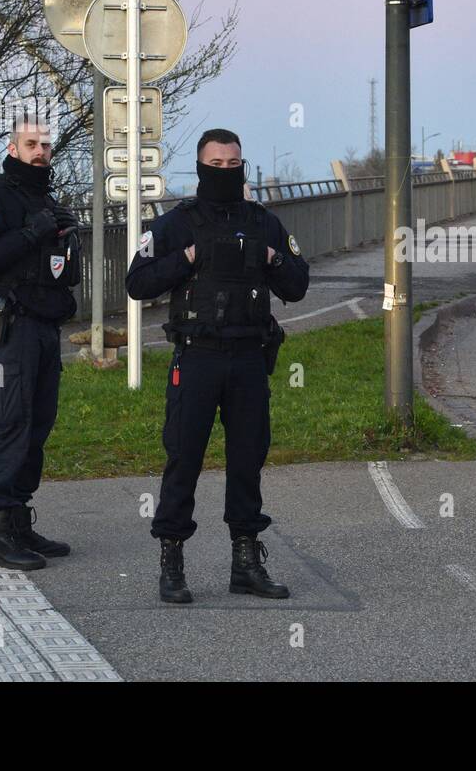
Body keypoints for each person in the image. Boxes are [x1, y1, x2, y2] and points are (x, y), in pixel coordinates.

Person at [125, 128, 309, 604]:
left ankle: (245, 562)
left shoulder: (263, 222)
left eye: (233, 165)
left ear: (242, 165)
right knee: (184, 458)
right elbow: (137, 281)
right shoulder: (177, 224)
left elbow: (298, 284)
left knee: (247, 459)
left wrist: (269, 258)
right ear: (201, 166)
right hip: (198, 356)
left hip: (249, 358)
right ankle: (172, 560)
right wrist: (187, 258)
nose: (225, 172)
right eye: (217, 165)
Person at [0, 115, 81, 570]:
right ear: (13, 149)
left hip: (46, 326)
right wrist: (35, 231)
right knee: (10, 420)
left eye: (46, 145)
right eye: (31, 143)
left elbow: (58, 268)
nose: (40, 152)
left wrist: (67, 237)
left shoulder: (45, 198)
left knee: (39, 422)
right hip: (11, 328)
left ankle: (19, 523)